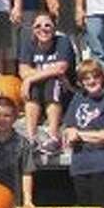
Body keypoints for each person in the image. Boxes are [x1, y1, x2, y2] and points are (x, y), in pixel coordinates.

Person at [62, 59, 104, 208]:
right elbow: (68, 128)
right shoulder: (78, 98)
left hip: (103, 165)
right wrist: (71, 133)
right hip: (80, 166)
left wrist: (80, 134)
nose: (91, 81)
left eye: (95, 77)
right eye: (86, 78)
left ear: (102, 77)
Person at [17, 11, 76, 151]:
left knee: (53, 81)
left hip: (65, 93)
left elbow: (61, 68)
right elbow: (23, 71)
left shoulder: (62, 42)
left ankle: (53, 136)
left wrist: (30, 78)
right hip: (38, 94)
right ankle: (31, 138)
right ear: (33, 30)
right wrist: (35, 77)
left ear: (54, 28)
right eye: (38, 26)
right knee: (37, 84)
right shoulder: (29, 44)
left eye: (47, 25)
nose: (42, 29)